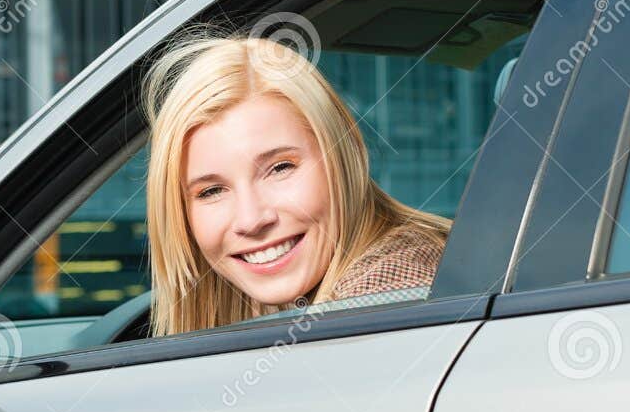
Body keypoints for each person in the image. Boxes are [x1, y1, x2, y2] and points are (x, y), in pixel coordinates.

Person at [142, 31, 450, 338]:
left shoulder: (390, 292)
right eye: (211, 191)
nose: (251, 220)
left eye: (280, 168)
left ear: (345, 155)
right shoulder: (292, 305)